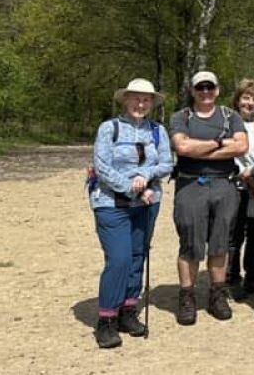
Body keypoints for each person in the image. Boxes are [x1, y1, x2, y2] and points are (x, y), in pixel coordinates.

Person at [89, 78, 175, 348]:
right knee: (120, 259)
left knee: (139, 255)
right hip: (111, 203)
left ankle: (128, 310)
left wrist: (145, 175)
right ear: (125, 100)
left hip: (148, 203)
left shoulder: (158, 131)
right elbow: (101, 167)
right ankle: (107, 319)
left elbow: (166, 163)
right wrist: (133, 188)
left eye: (146, 99)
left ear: (152, 103)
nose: (140, 104)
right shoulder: (109, 128)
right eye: (135, 98)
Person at [169, 70, 249, 325]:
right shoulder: (181, 117)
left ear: (217, 89)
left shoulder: (230, 115)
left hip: (224, 184)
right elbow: (182, 147)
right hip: (190, 184)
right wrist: (219, 142)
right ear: (192, 91)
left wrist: (199, 150)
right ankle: (187, 295)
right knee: (190, 240)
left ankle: (217, 293)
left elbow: (241, 146)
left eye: (210, 87)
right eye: (200, 87)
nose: (205, 92)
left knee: (220, 242)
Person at [228, 78, 254, 299]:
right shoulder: (229, 123)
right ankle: (231, 279)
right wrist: (243, 173)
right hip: (235, 185)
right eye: (245, 98)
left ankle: (253, 276)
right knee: (234, 235)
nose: (249, 103)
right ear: (237, 100)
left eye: (253, 99)